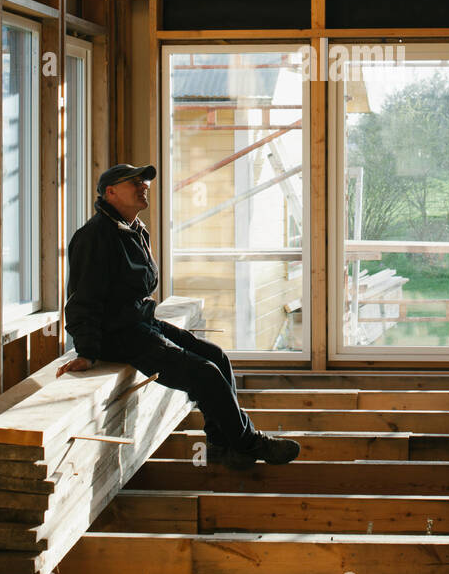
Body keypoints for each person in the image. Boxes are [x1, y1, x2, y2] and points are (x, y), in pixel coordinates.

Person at [61, 163, 299, 469]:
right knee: (205, 374)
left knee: (217, 357)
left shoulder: (133, 230)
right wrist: (87, 352)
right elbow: (83, 299)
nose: (143, 186)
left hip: (138, 322)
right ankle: (248, 444)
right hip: (116, 334)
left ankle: (220, 444)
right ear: (110, 192)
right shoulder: (95, 237)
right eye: (134, 182)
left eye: (144, 181)